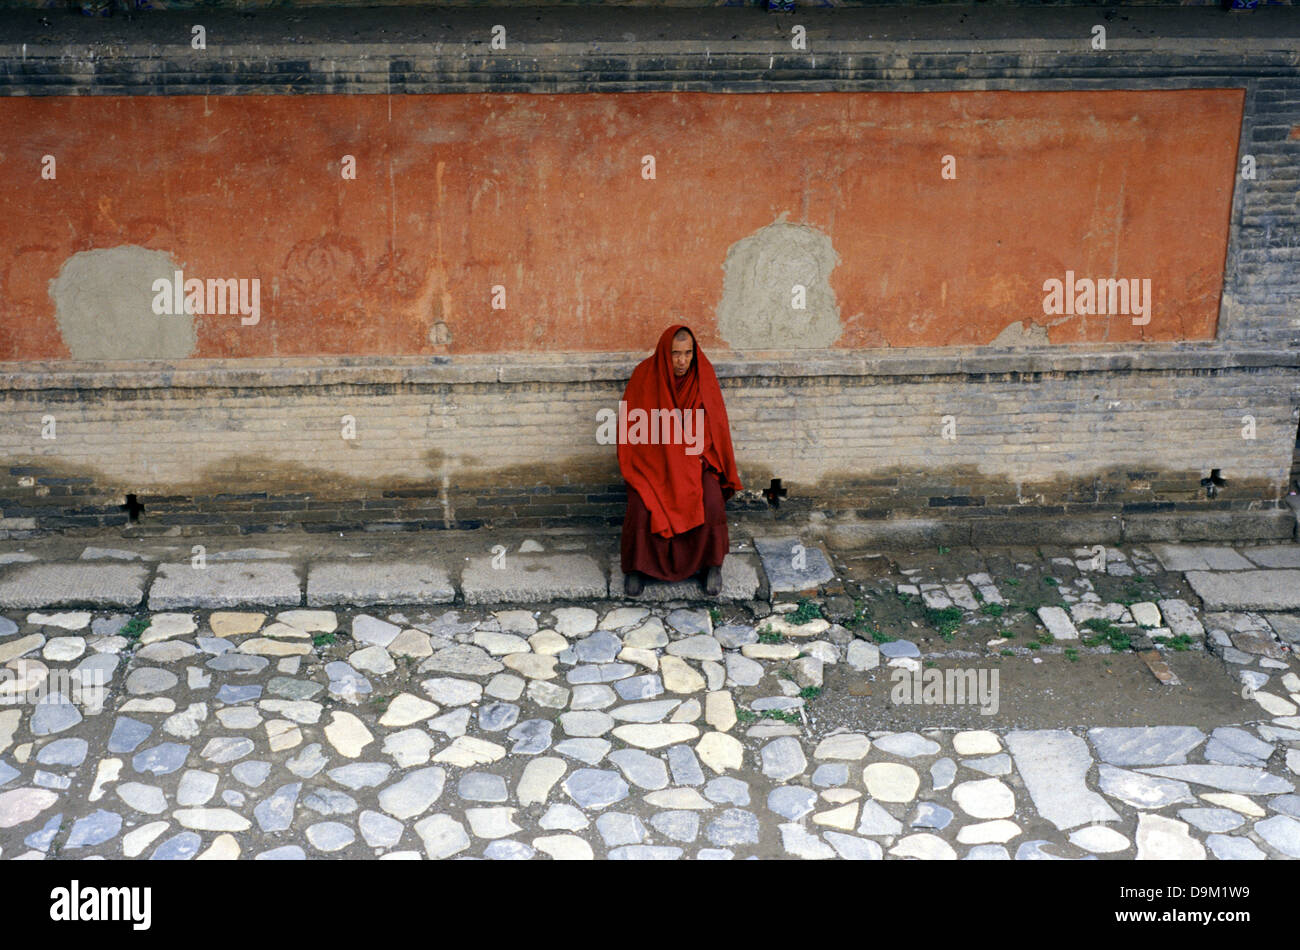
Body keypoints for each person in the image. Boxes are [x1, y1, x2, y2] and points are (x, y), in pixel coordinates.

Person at [617, 324, 743, 597]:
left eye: (687, 353)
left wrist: (692, 459)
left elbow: (713, 426)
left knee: (710, 499)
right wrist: (663, 461)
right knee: (641, 504)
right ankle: (637, 568)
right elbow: (633, 431)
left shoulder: (702, 376)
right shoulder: (644, 376)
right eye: (675, 353)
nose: (682, 361)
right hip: (653, 463)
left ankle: (712, 565)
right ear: (665, 352)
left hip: (695, 459)